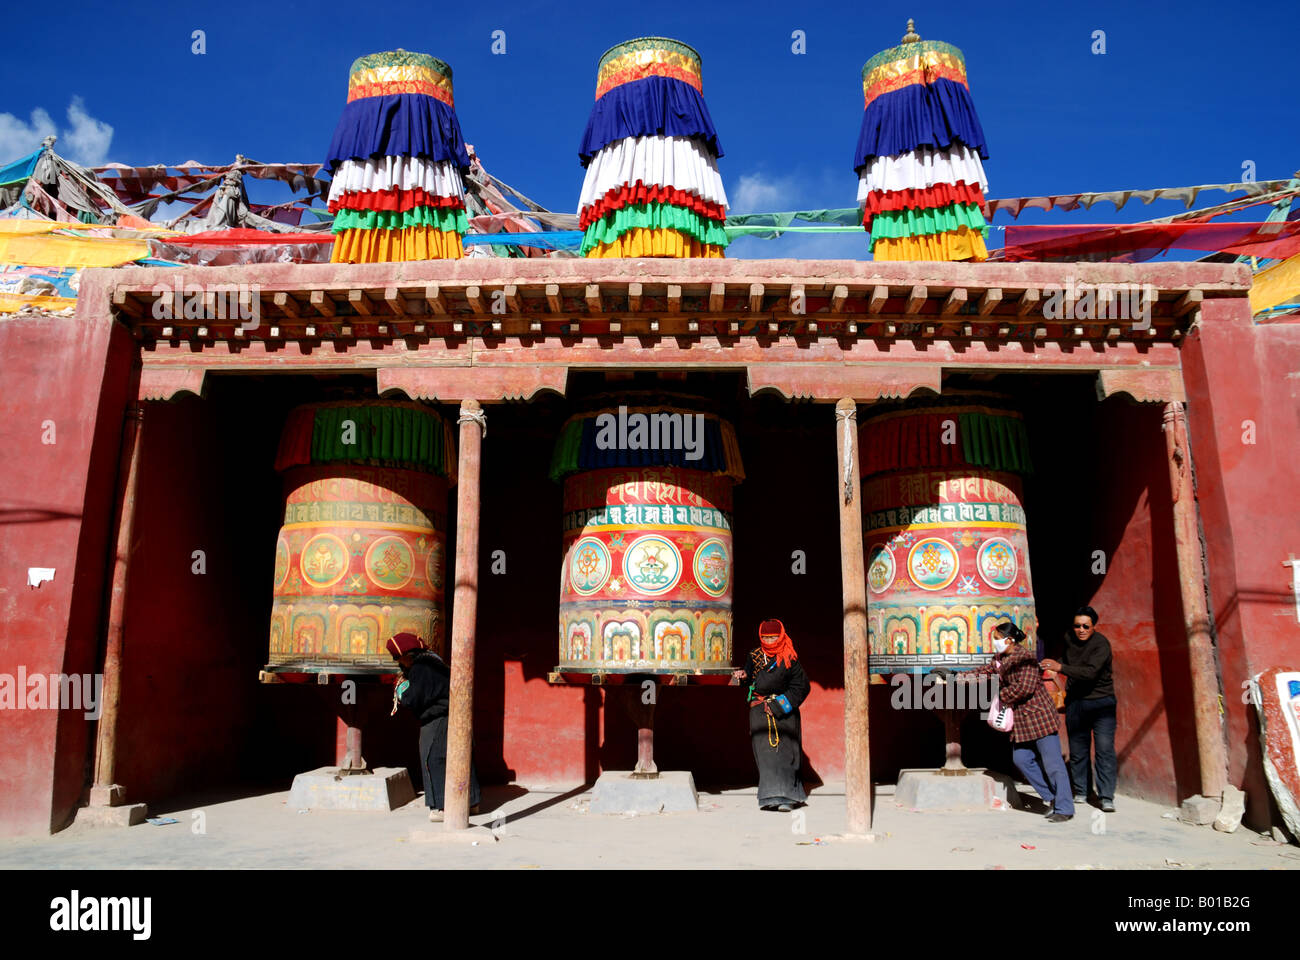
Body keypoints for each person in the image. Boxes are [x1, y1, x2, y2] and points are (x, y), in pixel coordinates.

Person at [951, 622, 1075, 822]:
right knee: (1022, 759)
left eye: (998, 638)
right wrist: (957, 677)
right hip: (1022, 720)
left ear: (1009, 640)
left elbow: (1024, 688)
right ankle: (1051, 798)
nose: (995, 642)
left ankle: (1065, 808)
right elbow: (985, 671)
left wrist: (999, 694)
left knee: (1053, 764)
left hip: (1039, 716)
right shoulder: (1000, 659)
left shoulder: (1025, 658)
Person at [388, 632, 481, 822]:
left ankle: (441, 807)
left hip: (438, 719)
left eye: (398, 658)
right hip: (457, 715)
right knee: (461, 756)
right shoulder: (434, 661)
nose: (399, 663)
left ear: (407, 654)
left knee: (432, 758)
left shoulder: (420, 668)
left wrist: (401, 692)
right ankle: (471, 802)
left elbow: (414, 699)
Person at [1041, 606, 1117, 813]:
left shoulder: (1101, 644)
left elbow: (1090, 673)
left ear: (1093, 626)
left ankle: (1106, 796)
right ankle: (1082, 791)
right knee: (1078, 750)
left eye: (1086, 626)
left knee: (1104, 750)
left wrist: (1061, 668)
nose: (1081, 630)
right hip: (1076, 703)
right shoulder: (1069, 639)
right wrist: (1054, 664)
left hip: (1102, 702)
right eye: (1077, 626)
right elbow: (1068, 661)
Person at [732, 619, 811, 811]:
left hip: (784, 712)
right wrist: (742, 677)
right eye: (765, 638)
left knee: (785, 754)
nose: (770, 641)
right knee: (766, 756)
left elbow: (802, 687)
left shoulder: (789, 658)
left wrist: (778, 705)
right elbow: (750, 679)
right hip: (759, 712)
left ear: (782, 635)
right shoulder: (755, 655)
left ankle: (788, 797)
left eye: (774, 637)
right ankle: (769, 797)